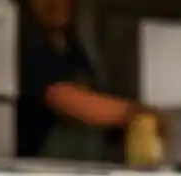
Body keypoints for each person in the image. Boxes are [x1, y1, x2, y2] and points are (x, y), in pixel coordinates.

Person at [17, 0, 151, 160]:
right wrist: (131, 112)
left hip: (83, 169)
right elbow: (61, 97)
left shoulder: (75, 52)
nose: (53, 3)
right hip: (41, 173)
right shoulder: (28, 50)